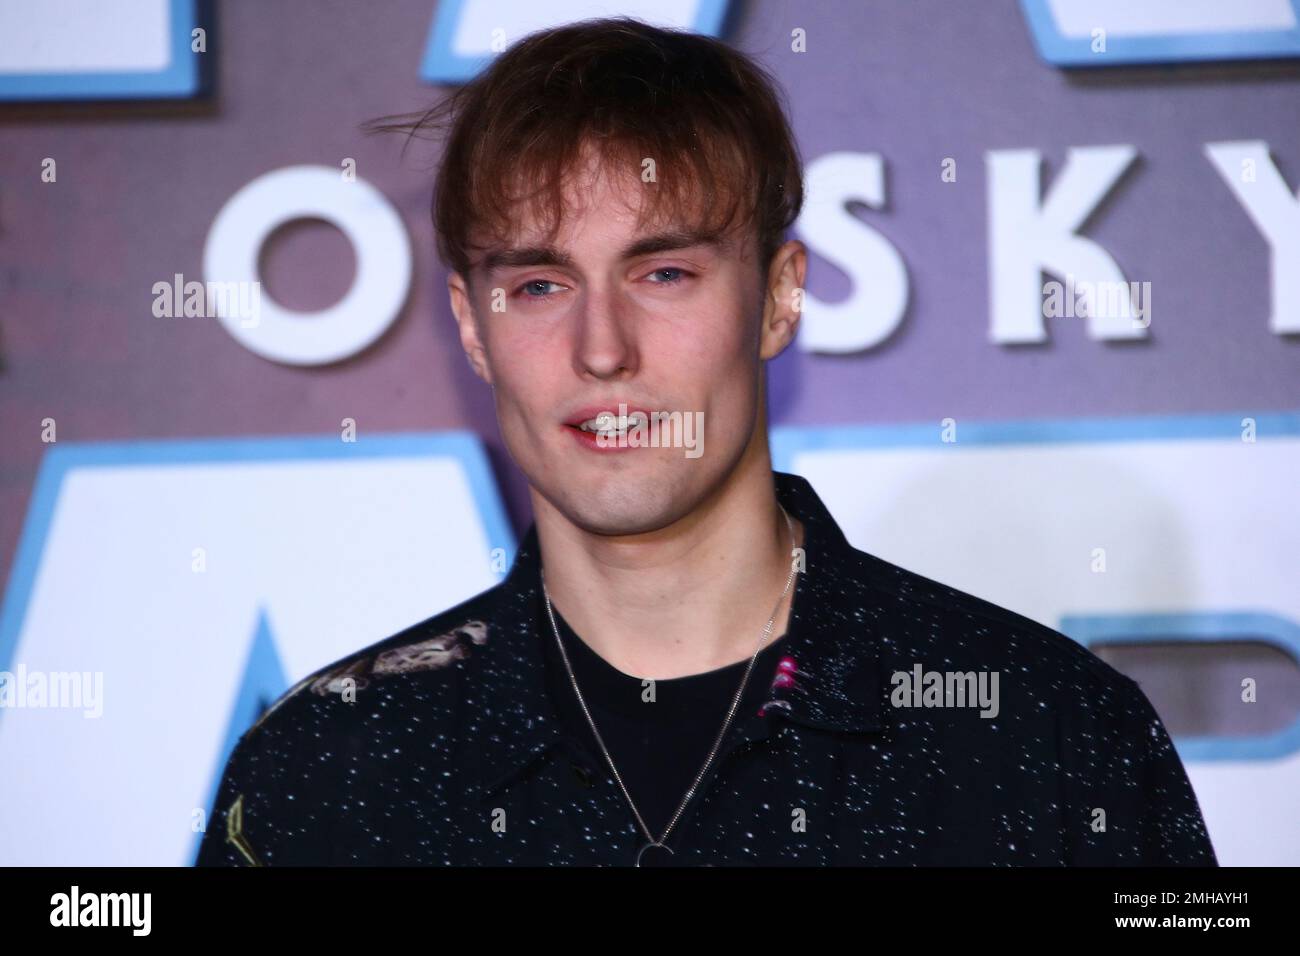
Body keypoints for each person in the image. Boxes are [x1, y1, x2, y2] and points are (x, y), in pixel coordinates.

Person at [197, 17, 1216, 867]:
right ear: (471, 326)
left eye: (664, 272)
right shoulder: (321, 775)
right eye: (540, 284)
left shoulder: (1053, 736)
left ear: (779, 297)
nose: (602, 349)